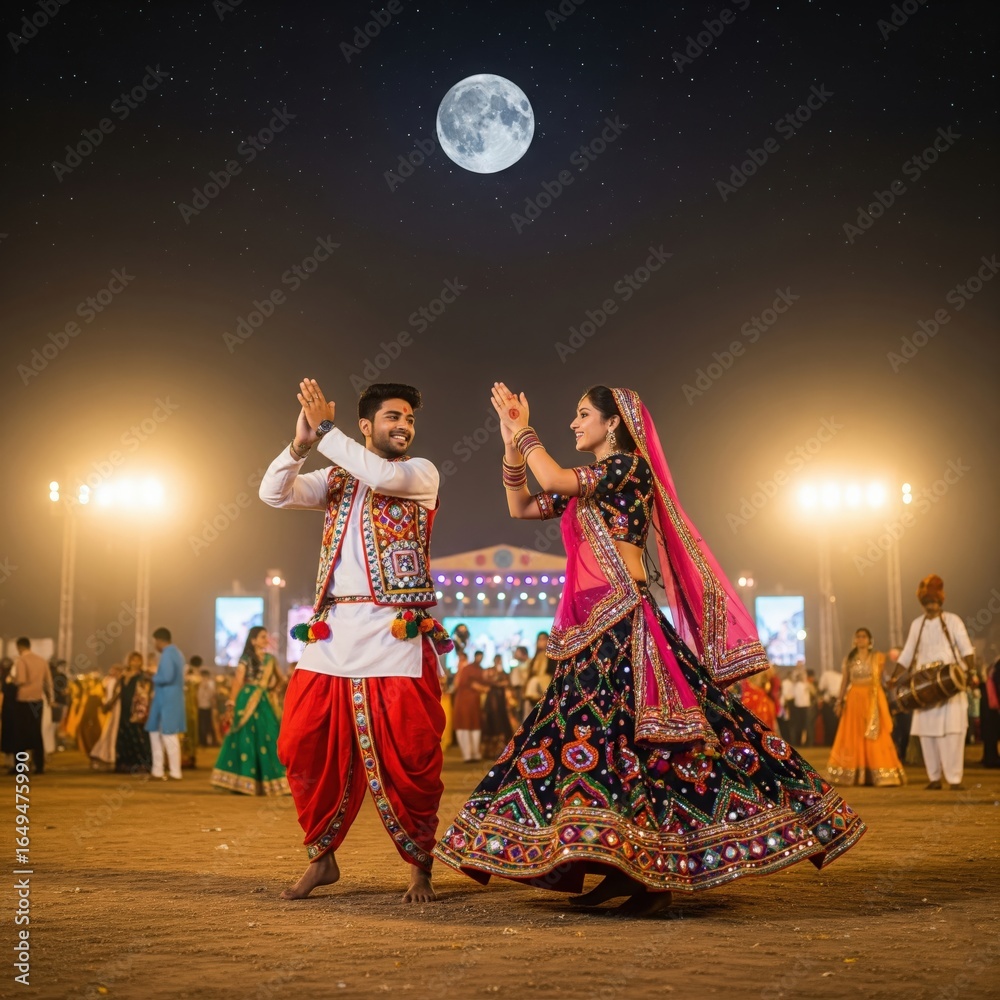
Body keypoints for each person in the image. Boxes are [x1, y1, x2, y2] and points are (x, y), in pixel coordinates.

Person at [435, 384, 865, 915]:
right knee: (596, 746)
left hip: (623, 625)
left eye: (583, 414)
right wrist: (508, 443)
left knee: (639, 744)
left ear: (613, 425)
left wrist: (524, 428)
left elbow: (549, 475)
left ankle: (656, 873)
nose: (574, 423)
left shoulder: (628, 470)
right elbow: (523, 505)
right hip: (589, 629)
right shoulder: (587, 486)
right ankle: (625, 866)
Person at [260, 379, 448, 903]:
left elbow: (380, 475)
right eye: (391, 417)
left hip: (394, 634)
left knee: (410, 754)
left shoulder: (418, 473)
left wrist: (324, 431)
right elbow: (272, 493)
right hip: (331, 632)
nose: (403, 426)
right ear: (366, 426)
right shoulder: (337, 476)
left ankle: (419, 864)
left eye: (408, 418)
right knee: (302, 742)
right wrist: (300, 445)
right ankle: (322, 859)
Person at [894, 574, 975, 790]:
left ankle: (955, 779)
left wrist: (970, 673)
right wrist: (894, 677)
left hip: (950, 685)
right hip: (924, 687)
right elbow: (907, 654)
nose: (931, 606)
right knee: (928, 734)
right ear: (923, 603)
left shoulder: (953, 620)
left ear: (940, 602)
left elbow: (966, 649)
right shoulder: (917, 624)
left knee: (953, 733)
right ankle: (934, 777)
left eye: (934, 602)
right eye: (927, 603)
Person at [211, 627, 290, 795]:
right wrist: (231, 703)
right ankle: (245, 782)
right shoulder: (246, 659)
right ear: (253, 640)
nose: (266, 640)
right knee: (246, 738)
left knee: (268, 736)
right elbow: (238, 681)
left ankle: (271, 784)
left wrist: (273, 690)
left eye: (266, 637)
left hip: (264, 701)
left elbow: (281, 680)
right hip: (247, 700)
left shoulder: (271, 659)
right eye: (262, 637)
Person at [827, 628, 905, 786]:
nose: (861, 639)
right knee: (853, 734)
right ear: (855, 640)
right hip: (854, 699)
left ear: (870, 640)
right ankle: (855, 774)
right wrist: (839, 701)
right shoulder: (849, 658)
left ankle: (881, 774)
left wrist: (893, 684)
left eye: (864, 637)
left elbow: (886, 678)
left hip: (873, 699)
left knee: (876, 734)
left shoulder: (878, 658)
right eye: (858, 637)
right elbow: (844, 682)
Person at [145, 627, 186, 781]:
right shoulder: (177, 653)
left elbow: (167, 676)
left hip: (166, 697)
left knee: (167, 734)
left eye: (154, 641)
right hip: (171, 697)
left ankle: (169, 771)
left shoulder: (168, 654)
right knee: (159, 732)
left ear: (159, 640)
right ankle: (162, 770)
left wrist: (153, 677)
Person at [10, 638, 53, 774]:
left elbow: (21, 679)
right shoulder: (41, 660)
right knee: (36, 733)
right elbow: (48, 681)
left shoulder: (21, 660)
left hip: (23, 700)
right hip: (37, 700)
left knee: (20, 734)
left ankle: (20, 767)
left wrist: (11, 680)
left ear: (19, 648)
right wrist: (50, 698)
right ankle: (39, 765)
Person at [115, 652, 152, 774]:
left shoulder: (142, 676)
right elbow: (118, 692)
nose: (135, 663)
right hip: (123, 709)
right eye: (133, 660)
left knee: (138, 737)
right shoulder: (122, 675)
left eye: (138, 660)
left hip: (136, 711)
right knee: (123, 736)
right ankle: (125, 763)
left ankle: (142, 764)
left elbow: (145, 694)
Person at [453, 652, 488, 762]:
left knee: (474, 725)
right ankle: (468, 754)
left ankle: (474, 753)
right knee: (464, 725)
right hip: (464, 700)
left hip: (474, 701)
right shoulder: (466, 669)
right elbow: (459, 684)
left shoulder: (477, 669)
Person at [89, 664, 124, 771]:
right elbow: (111, 696)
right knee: (111, 731)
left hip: (116, 707)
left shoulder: (114, 681)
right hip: (116, 708)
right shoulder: (113, 682)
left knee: (111, 731)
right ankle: (108, 754)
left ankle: (104, 753)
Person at [482, 655, 514, 758]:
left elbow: (507, 683)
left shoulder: (503, 672)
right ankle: (492, 751)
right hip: (492, 700)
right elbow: (488, 681)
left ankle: (501, 751)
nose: (498, 661)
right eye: (497, 660)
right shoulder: (490, 670)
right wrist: (498, 682)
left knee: (502, 724)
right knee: (493, 724)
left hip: (502, 701)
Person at [980, 657, 1000, 768]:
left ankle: (990, 758)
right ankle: (991, 759)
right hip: (993, 704)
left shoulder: (996, 662)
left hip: (989, 702)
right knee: (991, 733)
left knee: (989, 734)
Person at [197, 666, 218, 747]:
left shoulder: (209, 684)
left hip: (206, 707)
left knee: (207, 725)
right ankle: (203, 742)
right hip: (203, 707)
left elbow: (211, 695)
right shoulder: (200, 685)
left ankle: (207, 742)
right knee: (204, 725)